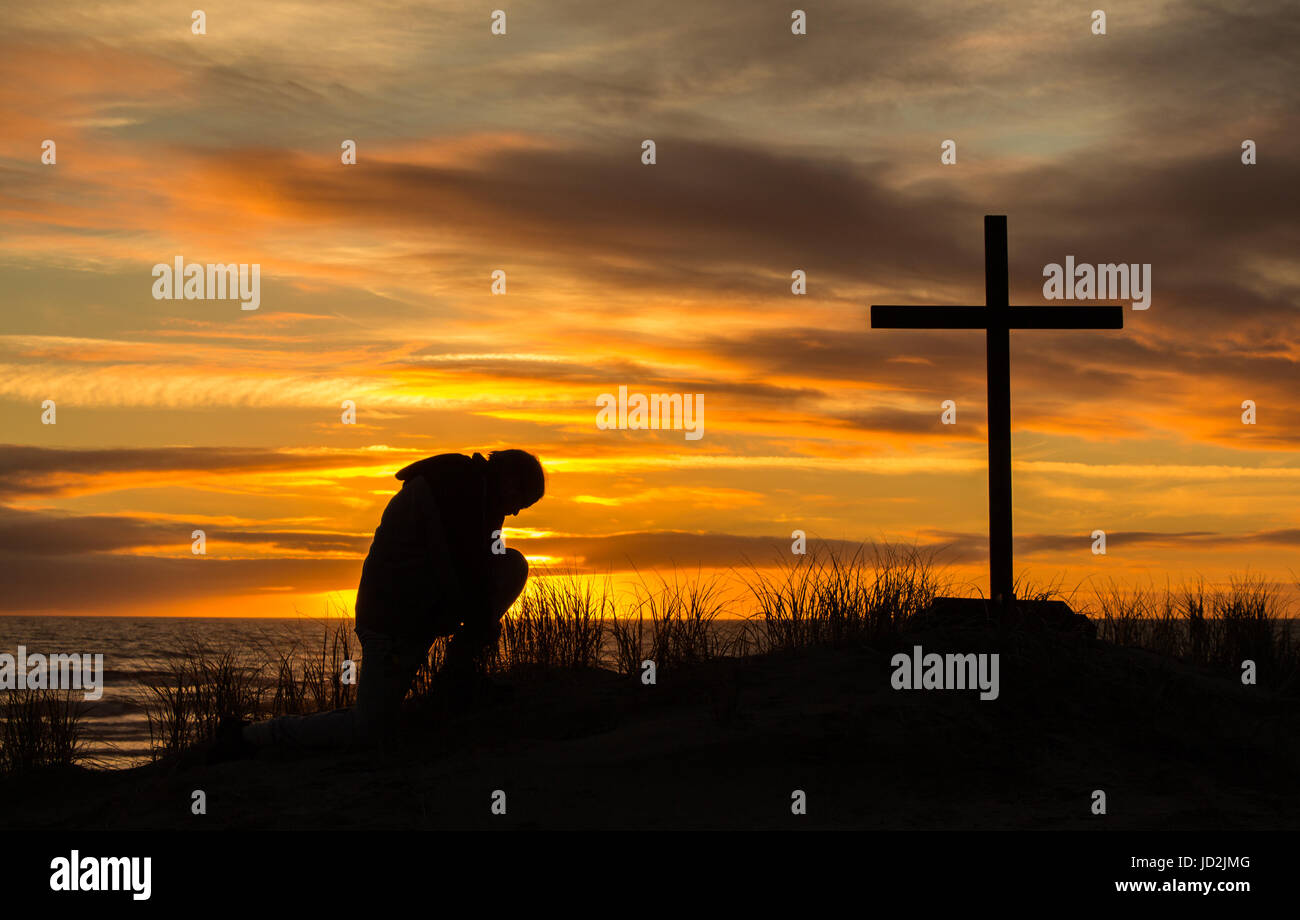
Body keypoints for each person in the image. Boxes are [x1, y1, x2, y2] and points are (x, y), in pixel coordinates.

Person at [221, 449, 544, 757]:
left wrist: (477, 625)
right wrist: (481, 623)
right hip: (393, 621)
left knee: (510, 564)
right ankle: (247, 736)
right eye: (521, 502)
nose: (515, 512)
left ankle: (456, 681)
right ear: (511, 480)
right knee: (370, 727)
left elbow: (471, 568)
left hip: (421, 611)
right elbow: (456, 565)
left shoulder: (475, 493)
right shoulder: (458, 490)